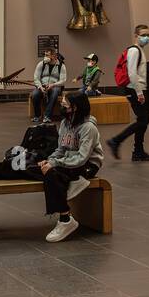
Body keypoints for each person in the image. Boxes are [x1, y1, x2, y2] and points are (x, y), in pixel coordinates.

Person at [40, 91, 104, 243]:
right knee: (44, 170)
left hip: (88, 165)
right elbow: (61, 149)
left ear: (75, 108)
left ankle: (65, 219)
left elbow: (82, 158)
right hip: (69, 161)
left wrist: (55, 164)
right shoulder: (65, 123)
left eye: (64, 105)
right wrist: (49, 160)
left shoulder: (89, 128)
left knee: (52, 174)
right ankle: (74, 181)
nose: (61, 107)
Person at [107, 23, 149, 162]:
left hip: (138, 89)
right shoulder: (134, 50)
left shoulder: (139, 50)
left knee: (142, 121)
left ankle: (138, 151)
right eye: (143, 35)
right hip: (134, 89)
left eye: (148, 35)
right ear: (136, 36)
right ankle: (116, 141)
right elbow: (132, 73)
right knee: (143, 120)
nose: (146, 37)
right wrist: (139, 93)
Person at [29, 47, 66, 124]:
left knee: (55, 92)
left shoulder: (61, 66)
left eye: (47, 55)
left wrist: (53, 85)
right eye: (45, 55)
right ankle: (37, 115)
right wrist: (40, 87)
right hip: (42, 86)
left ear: (54, 56)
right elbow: (36, 78)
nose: (45, 57)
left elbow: (63, 80)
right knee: (35, 95)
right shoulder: (41, 64)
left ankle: (47, 116)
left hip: (55, 86)